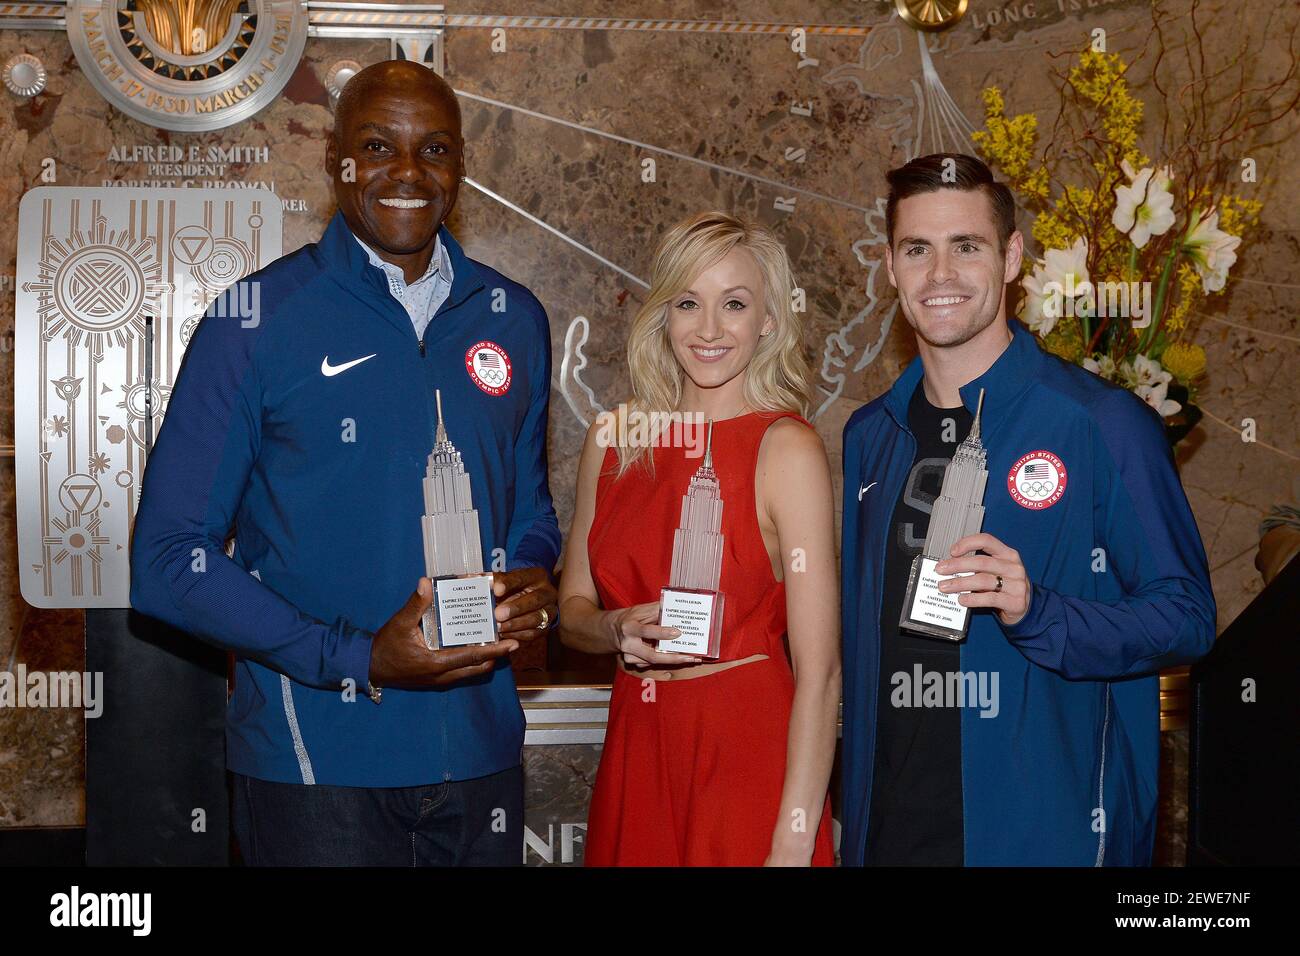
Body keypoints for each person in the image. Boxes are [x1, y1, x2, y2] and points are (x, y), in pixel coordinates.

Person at [129, 61, 561, 866]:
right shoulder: (256, 321)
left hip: (481, 761)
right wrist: (355, 656)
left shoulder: (514, 317)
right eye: (378, 145)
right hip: (316, 770)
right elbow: (166, 560)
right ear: (336, 163)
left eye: (433, 148)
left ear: (461, 166)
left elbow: (530, 509)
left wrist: (531, 576)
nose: (407, 172)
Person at [840, 153, 1216, 866]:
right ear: (891, 266)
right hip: (891, 832)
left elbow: (1189, 616)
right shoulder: (870, 436)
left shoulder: (1102, 423)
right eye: (917, 249)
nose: (940, 274)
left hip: (1046, 833)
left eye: (967, 246)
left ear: (1011, 257)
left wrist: (1036, 610)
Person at [558, 212, 840, 866]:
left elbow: (821, 671)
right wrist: (615, 628)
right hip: (639, 745)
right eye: (689, 302)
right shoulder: (615, 442)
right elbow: (573, 612)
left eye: (734, 304)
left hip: (749, 757)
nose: (709, 329)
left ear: (767, 322)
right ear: (664, 315)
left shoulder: (786, 448)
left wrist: (794, 840)